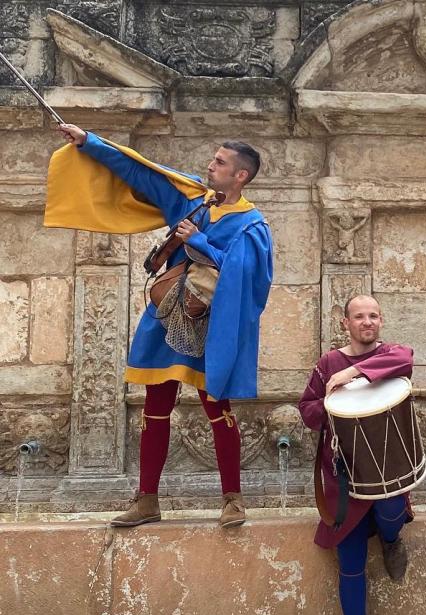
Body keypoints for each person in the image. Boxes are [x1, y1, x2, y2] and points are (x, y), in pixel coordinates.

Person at [50, 123, 274, 528]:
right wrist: (90, 142)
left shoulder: (251, 225)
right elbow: (143, 173)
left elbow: (250, 280)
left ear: (240, 175)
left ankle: (232, 500)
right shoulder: (192, 199)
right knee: (154, 410)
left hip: (210, 327)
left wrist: (200, 242)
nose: (211, 165)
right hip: (168, 314)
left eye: (220, 162)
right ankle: (147, 500)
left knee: (218, 411)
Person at [298, 295, 415, 615]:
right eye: (359, 316)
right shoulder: (326, 364)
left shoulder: (391, 354)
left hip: (386, 473)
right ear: (345, 322)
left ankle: (391, 538)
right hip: (343, 480)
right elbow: (307, 409)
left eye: (374, 316)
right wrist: (331, 403)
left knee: (389, 513)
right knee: (350, 564)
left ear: (381, 321)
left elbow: (405, 359)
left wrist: (352, 376)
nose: (368, 322)